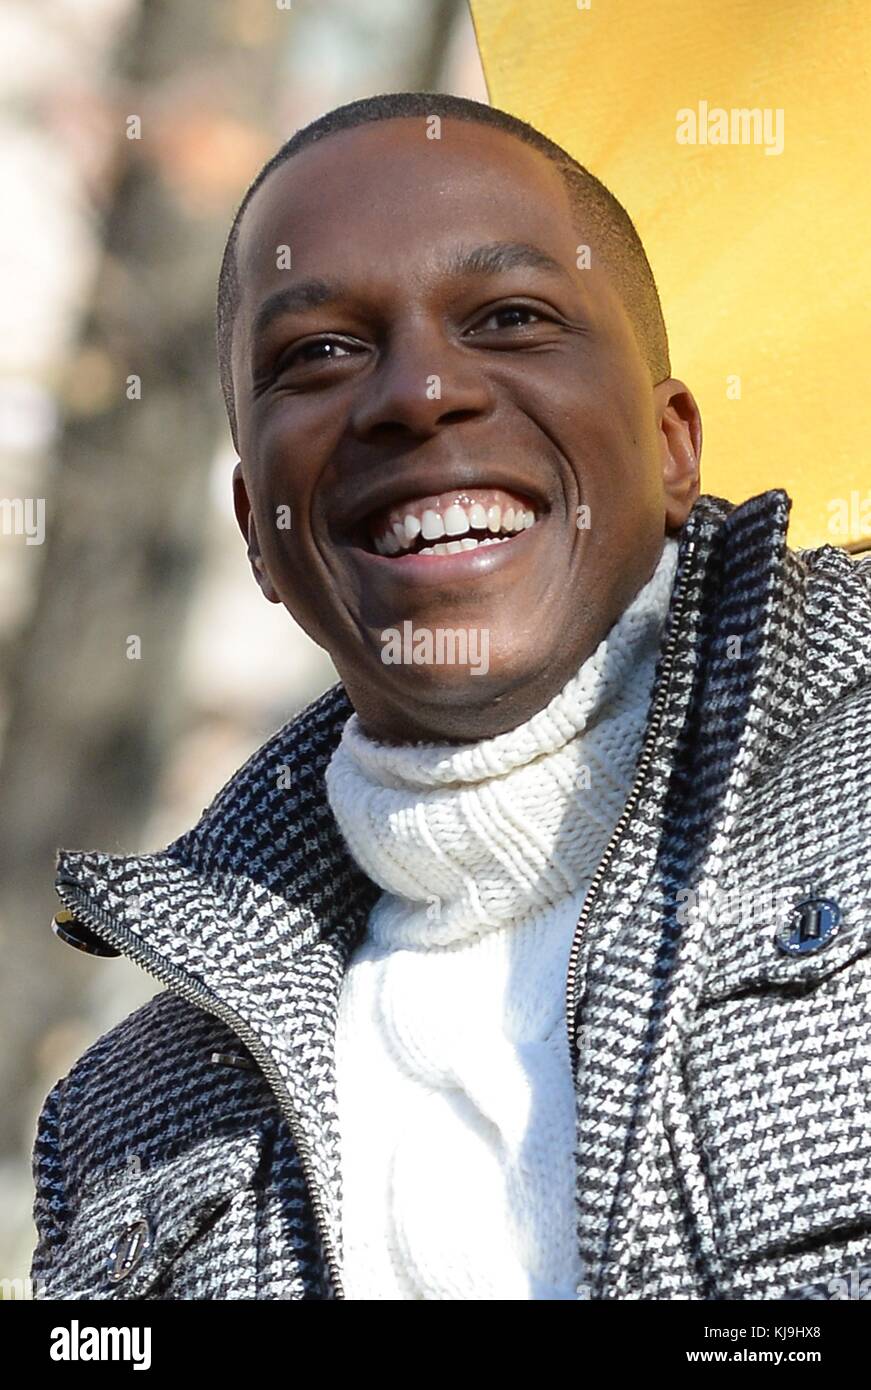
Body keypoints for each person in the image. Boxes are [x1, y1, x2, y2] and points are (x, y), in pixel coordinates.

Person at [30, 92, 871, 1301]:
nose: (418, 394)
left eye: (512, 318)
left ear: (674, 446)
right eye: (317, 352)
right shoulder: (126, 1124)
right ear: (256, 536)